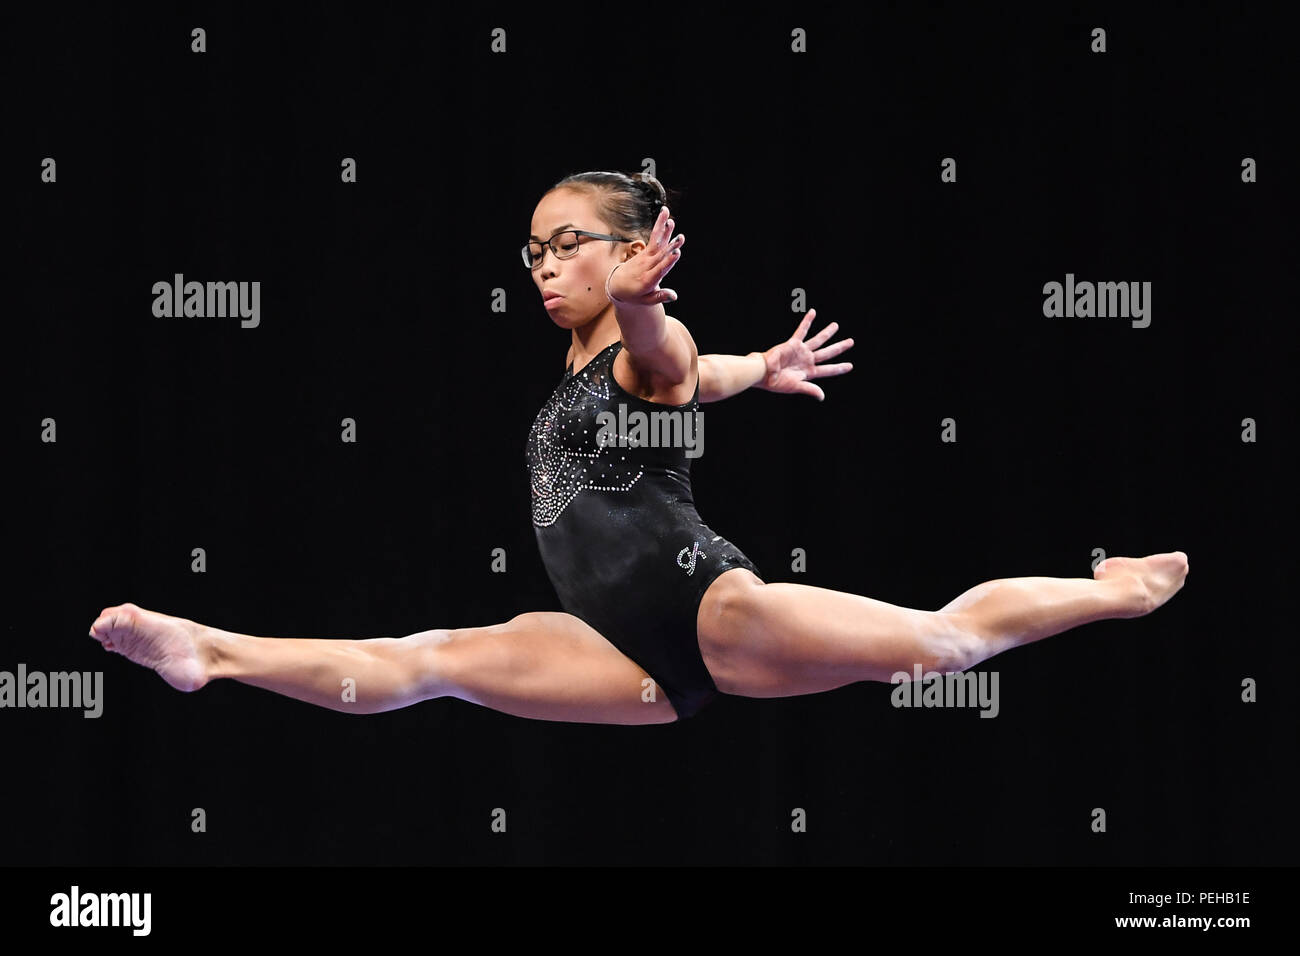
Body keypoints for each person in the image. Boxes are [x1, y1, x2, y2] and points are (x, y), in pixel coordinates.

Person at [88, 170, 1189, 725]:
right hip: (618, 650)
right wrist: (765, 366)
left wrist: (647, 305)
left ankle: (1110, 589)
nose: (542, 265)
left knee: (942, 648)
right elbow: (697, 383)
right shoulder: (590, 369)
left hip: (709, 604)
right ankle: (207, 646)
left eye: (566, 244)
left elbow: (668, 361)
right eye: (532, 250)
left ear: (630, 250)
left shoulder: (640, 340)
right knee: (427, 662)